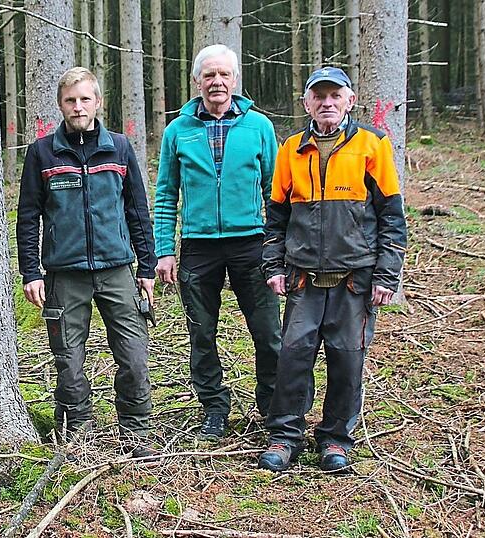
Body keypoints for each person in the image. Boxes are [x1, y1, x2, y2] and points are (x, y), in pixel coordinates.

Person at [258, 66, 407, 472]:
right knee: (292, 357)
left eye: (334, 96)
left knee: (347, 360)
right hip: (302, 278)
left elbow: (392, 216)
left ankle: (336, 440)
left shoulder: (373, 145)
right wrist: (273, 265)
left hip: (354, 279)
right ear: (306, 102)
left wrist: (386, 274)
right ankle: (284, 436)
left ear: (349, 101)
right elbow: (276, 216)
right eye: (318, 96)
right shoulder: (290, 148)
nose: (326, 103)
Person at [16, 67, 158, 457]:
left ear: (98, 102)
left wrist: (146, 269)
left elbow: (137, 212)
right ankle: (79, 431)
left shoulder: (120, 148)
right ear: (60, 105)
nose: (77, 107)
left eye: (84, 99)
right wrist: (31, 271)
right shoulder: (43, 152)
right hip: (65, 274)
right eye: (70, 100)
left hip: (117, 270)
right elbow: (29, 216)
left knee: (133, 356)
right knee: (69, 360)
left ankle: (138, 432)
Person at [153, 44, 282, 443]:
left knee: (267, 331)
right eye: (209, 75)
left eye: (224, 74)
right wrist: (164, 250)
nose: (217, 82)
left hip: (251, 243)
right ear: (197, 82)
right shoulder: (178, 131)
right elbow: (165, 194)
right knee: (202, 334)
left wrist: (279, 246)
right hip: (198, 246)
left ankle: (274, 406)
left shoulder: (258, 126)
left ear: (235, 79)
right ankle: (213, 407)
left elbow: (276, 191)